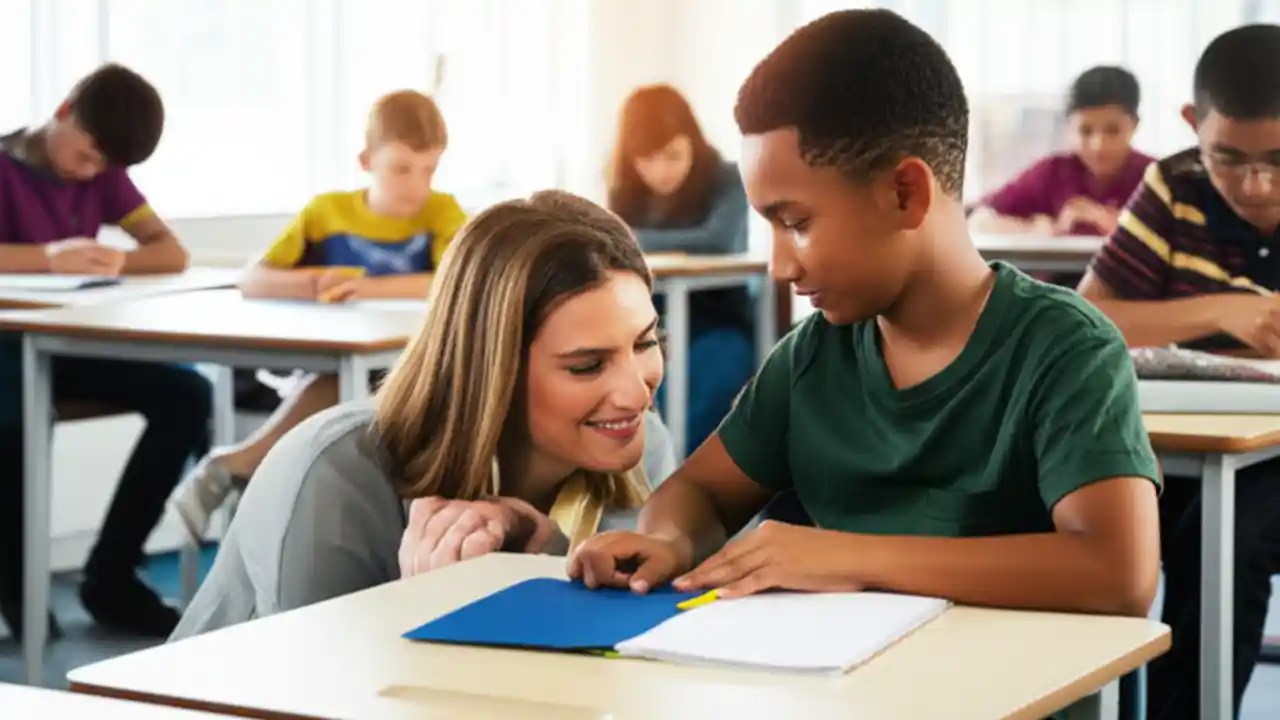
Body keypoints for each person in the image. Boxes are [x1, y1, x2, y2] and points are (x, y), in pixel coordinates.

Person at [569, 10, 1160, 623]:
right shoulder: (815, 353)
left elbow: (1119, 573)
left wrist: (848, 557)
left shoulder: (1064, 348)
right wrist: (670, 540)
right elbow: (696, 492)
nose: (778, 266)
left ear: (906, 194)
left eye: (796, 224)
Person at [171, 191, 677, 640]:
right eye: (587, 366)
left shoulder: (638, 443)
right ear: (492, 369)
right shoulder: (335, 476)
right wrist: (433, 607)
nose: (636, 392)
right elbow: (321, 695)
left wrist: (539, 559)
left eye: (645, 342)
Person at [1077, 24, 1280, 719]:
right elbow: (1091, 319)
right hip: (1176, 448)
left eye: (1279, 160)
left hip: (1265, 462)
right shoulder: (1175, 183)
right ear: (1194, 126)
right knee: (1082, 514)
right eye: (1229, 157)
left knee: (1225, 536)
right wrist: (1223, 311)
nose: (1255, 184)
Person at [169, 90, 466, 543]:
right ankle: (246, 472)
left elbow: (450, 278)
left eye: (430, 169)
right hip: (338, 365)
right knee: (344, 386)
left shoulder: (442, 212)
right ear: (367, 160)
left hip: (418, 367)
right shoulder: (326, 213)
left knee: (374, 390)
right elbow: (253, 279)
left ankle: (240, 464)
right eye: (402, 168)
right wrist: (310, 281)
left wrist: (366, 286)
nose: (417, 185)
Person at [0, 63, 211, 637]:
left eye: (104, 166)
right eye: (88, 155)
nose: (90, 172)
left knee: (188, 394)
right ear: (65, 109)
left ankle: (111, 576)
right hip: (5, 349)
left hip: (65, 345)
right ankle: (18, 588)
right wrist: (48, 257)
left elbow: (170, 252)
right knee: (14, 415)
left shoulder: (106, 177)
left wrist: (120, 259)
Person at [607, 85, 754, 451]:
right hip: (650, 327)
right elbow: (608, 245)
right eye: (647, 159)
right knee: (640, 385)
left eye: (673, 154)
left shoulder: (727, 179)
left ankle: (679, 488)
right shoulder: (623, 190)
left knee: (709, 380)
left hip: (718, 323)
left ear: (694, 142)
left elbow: (719, 242)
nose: (661, 171)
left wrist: (631, 236)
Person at [972, 65, 1154, 239]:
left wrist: (1115, 223)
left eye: (1113, 130)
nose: (1098, 145)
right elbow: (979, 219)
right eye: (1086, 131)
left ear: (1135, 125)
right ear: (1069, 128)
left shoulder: (1157, 177)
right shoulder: (1052, 172)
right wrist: (1042, 229)